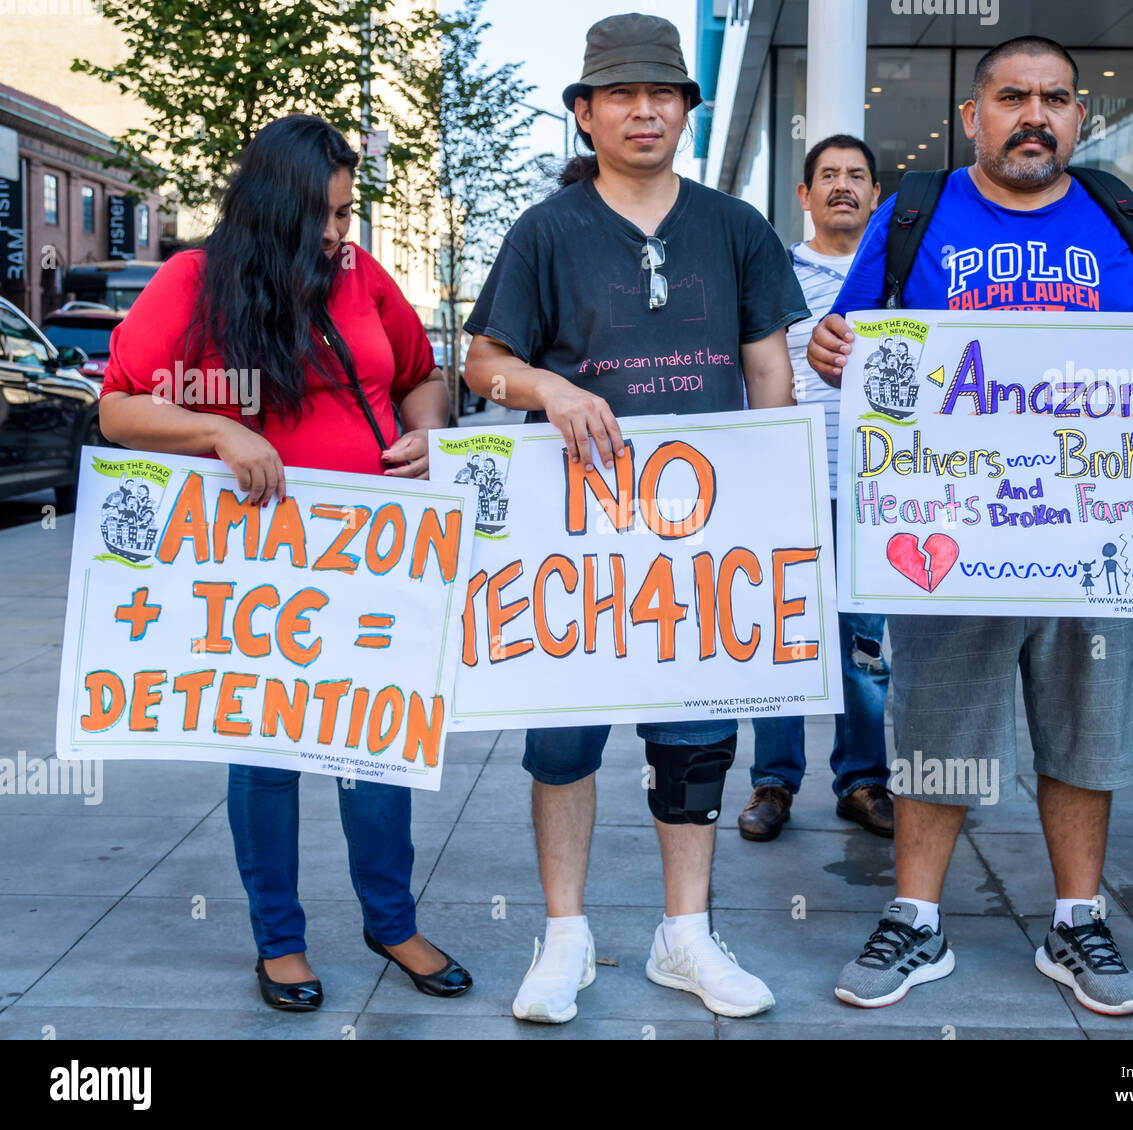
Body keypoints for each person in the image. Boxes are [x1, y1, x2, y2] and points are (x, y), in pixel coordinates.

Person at [808, 36, 1133, 1015]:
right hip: (950, 533)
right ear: (973, 115)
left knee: (1084, 732)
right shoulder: (914, 215)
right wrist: (828, 341)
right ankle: (917, 921)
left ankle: (1075, 919)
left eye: (1054, 99)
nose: (1034, 115)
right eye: (1012, 97)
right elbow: (844, 349)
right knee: (938, 728)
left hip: (1090, 533)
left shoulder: (1123, 216)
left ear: (1076, 116)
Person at [463, 12, 809, 1023]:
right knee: (562, 741)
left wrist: (777, 506)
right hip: (572, 534)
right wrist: (548, 389)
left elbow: (767, 375)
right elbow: (484, 363)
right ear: (584, 114)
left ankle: (685, 933)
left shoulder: (734, 228)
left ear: (687, 112)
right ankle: (564, 932)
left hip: (701, 540)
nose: (645, 108)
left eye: (664, 93)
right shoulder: (546, 231)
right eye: (620, 94)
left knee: (694, 740)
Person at [98, 114, 472, 1012]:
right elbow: (119, 409)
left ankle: (391, 921)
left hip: (377, 552)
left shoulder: (358, 275)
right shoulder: (196, 280)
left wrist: (429, 433)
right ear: (276, 206)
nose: (342, 235)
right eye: (327, 216)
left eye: (348, 214)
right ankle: (281, 942)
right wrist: (219, 427)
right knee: (269, 753)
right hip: (264, 565)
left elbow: (425, 374)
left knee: (382, 740)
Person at [738, 134, 894, 843]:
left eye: (856, 176)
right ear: (803, 195)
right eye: (827, 175)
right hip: (787, 484)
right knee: (782, 636)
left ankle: (862, 782)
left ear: (875, 194)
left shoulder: (901, 275)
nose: (842, 185)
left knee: (866, 647)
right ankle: (774, 781)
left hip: (876, 491)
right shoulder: (774, 274)